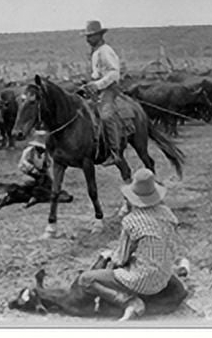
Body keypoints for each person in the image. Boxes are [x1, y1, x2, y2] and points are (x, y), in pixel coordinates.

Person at [76, 168, 180, 321]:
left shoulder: (131, 221)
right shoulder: (168, 215)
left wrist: (110, 255)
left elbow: (120, 259)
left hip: (141, 279)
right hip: (163, 277)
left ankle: (128, 301)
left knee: (85, 279)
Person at [81, 20, 124, 166]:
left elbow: (114, 73)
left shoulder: (106, 51)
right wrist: (89, 82)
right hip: (98, 89)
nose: (88, 39)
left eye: (91, 36)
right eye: (87, 37)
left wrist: (97, 84)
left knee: (106, 116)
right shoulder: (96, 53)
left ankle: (114, 152)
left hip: (109, 89)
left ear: (99, 36)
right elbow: (97, 73)